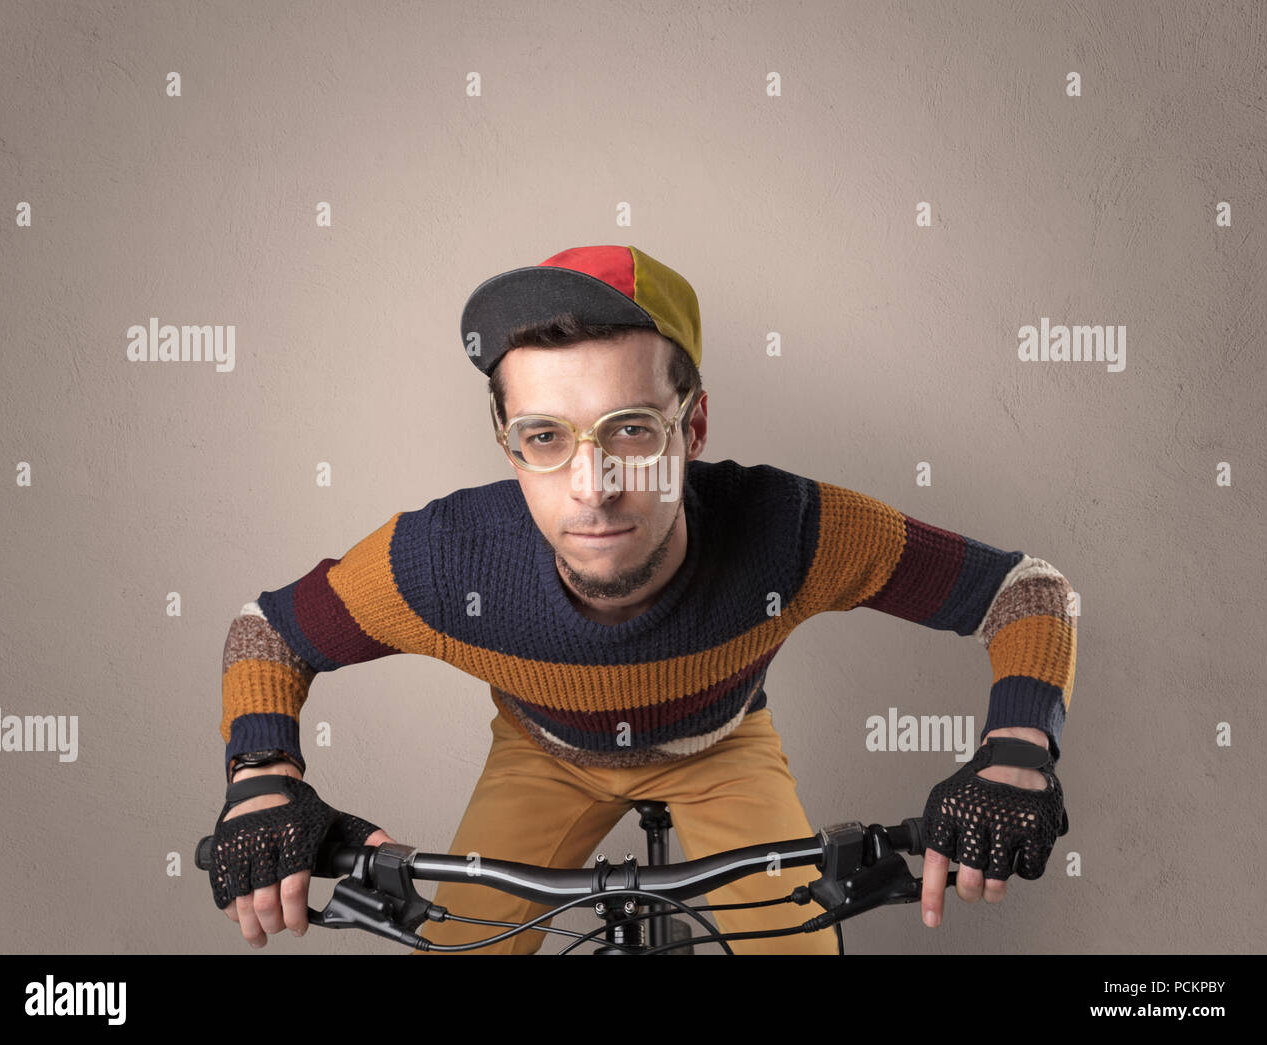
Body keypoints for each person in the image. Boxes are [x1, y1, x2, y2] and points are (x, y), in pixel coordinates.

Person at [206, 244, 1076, 954]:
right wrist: (262, 774)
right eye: (545, 436)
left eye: (631, 429)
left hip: (720, 747)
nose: (592, 487)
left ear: (693, 427)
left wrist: (1017, 749)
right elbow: (269, 633)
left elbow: (1023, 589)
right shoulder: (443, 559)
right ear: (507, 444)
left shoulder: (792, 531)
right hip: (544, 754)